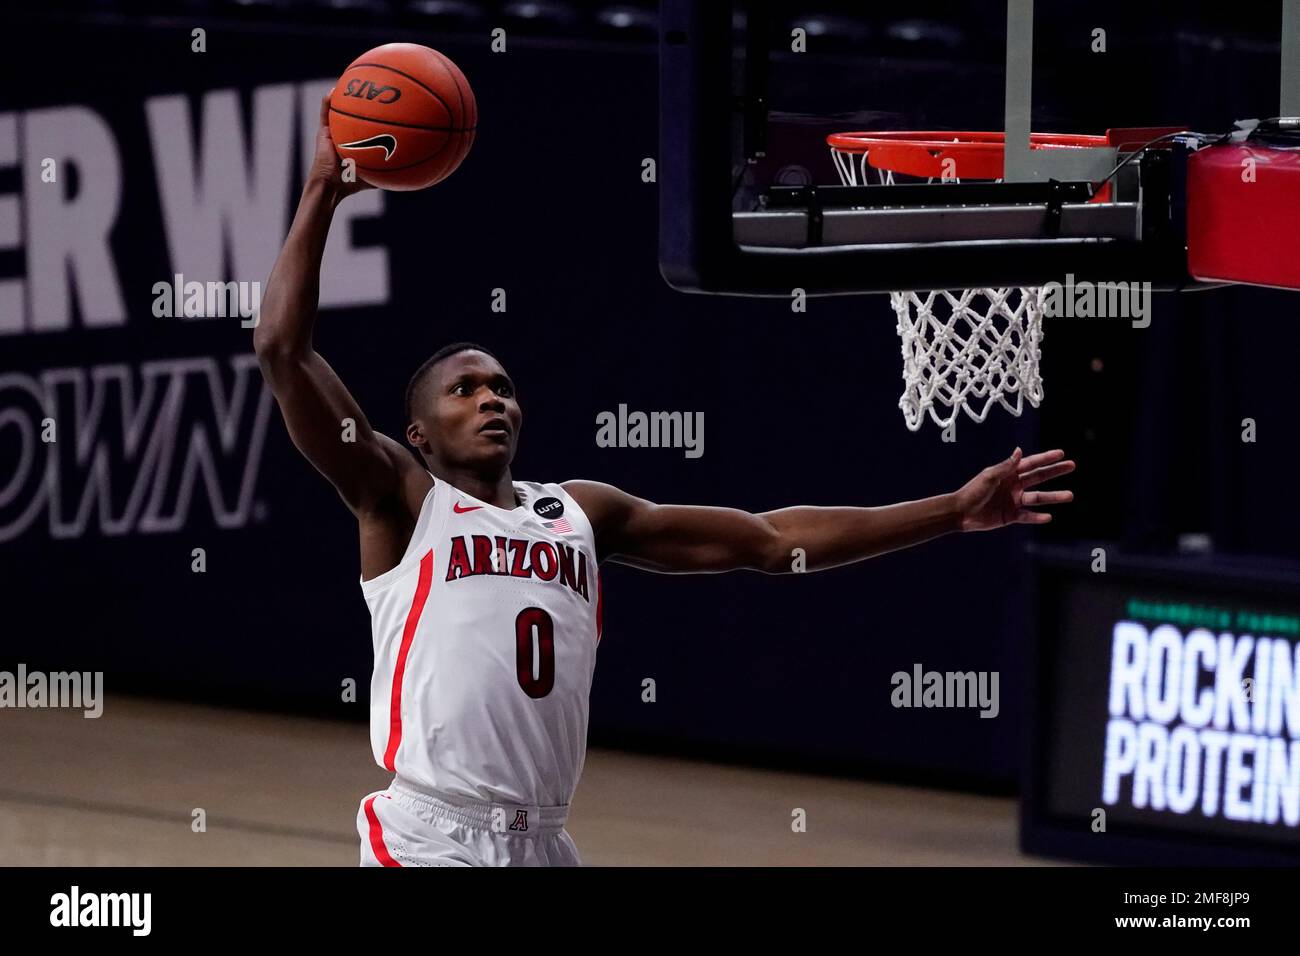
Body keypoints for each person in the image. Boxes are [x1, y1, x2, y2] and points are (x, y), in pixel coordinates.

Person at [253, 96, 1075, 866]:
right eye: (465, 389)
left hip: (544, 842)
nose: (491, 398)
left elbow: (769, 540)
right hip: (429, 834)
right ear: (418, 433)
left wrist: (953, 511)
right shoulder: (402, 500)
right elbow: (282, 352)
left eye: (501, 385)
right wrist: (325, 187)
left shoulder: (580, 512)